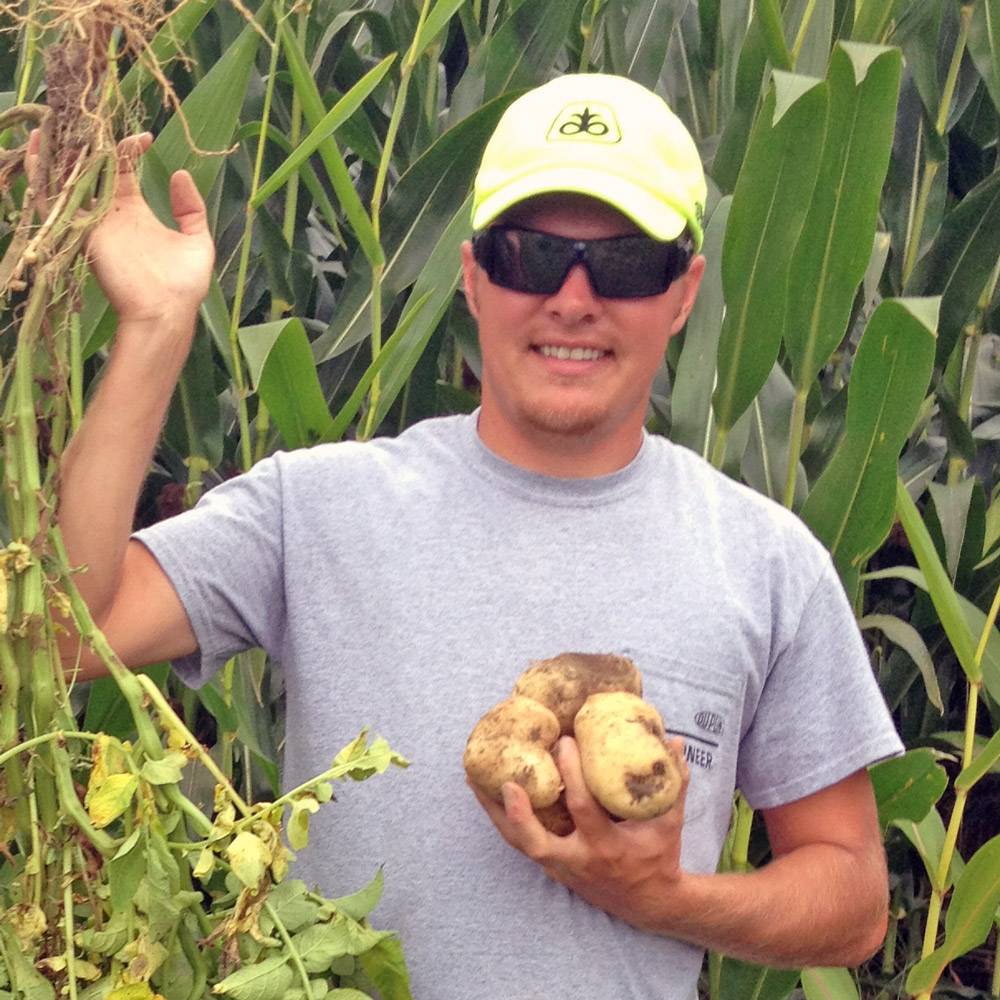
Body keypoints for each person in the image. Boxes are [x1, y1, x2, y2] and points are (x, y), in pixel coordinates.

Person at [56, 73, 902, 999]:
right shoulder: (317, 509)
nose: (574, 300)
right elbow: (66, 633)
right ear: (473, 274)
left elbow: (853, 900)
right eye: (533, 257)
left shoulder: (766, 561)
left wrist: (667, 898)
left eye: (621, 265)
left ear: (683, 290)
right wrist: (154, 325)